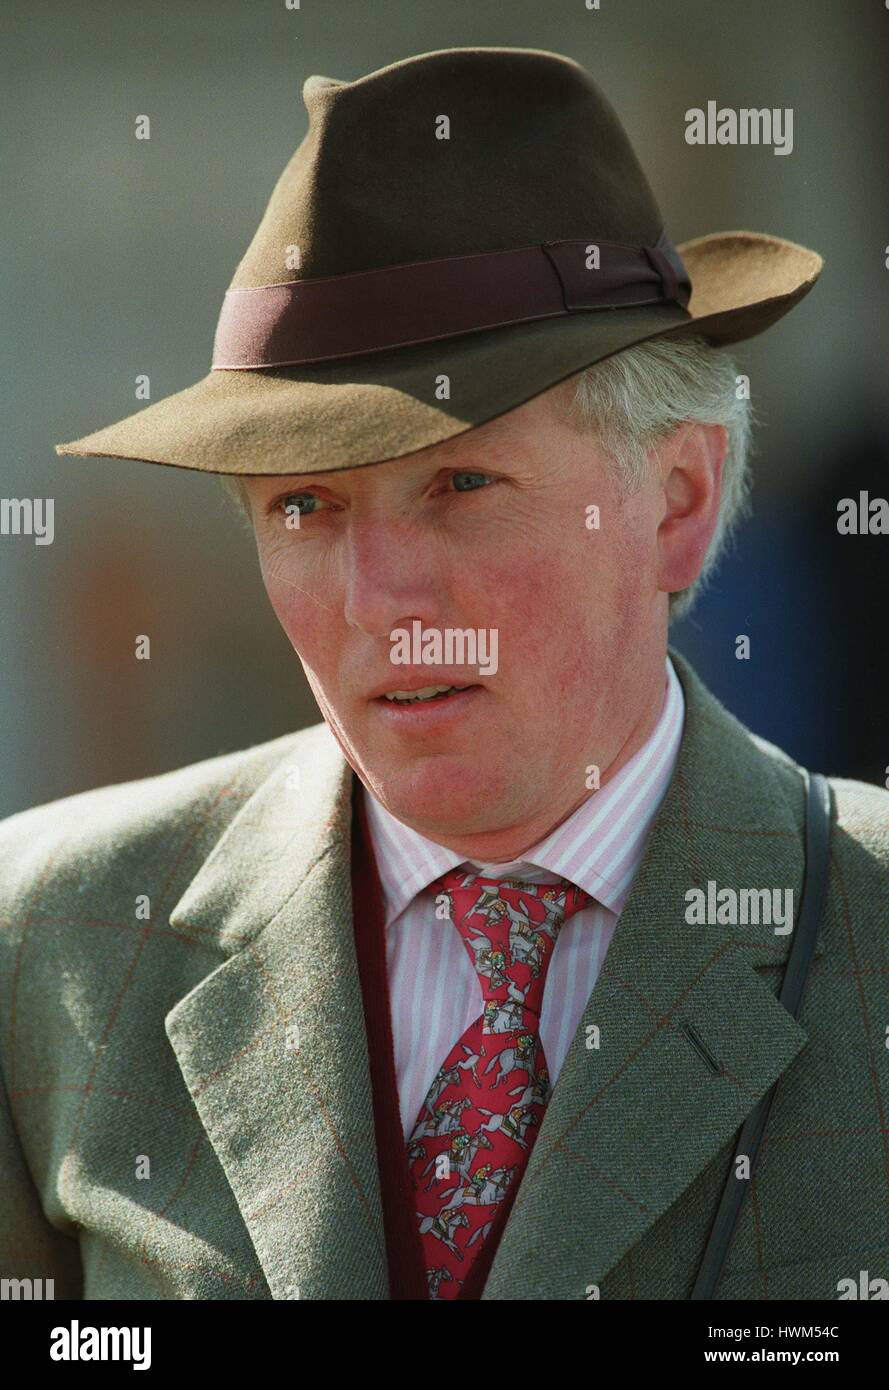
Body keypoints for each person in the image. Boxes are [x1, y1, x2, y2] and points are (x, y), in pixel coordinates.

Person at [2, 47, 887, 1302]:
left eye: (462, 483)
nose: (377, 601)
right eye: (303, 505)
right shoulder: (41, 942)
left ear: (674, 501)